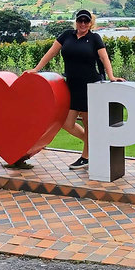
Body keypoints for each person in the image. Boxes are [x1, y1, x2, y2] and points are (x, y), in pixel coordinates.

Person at [26, 9, 123, 169]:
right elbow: (51, 53)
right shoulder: (66, 35)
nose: (83, 24)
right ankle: (94, 144)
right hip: (71, 86)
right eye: (80, 21)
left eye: (86, 21)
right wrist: (36, 69)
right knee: (66, 123)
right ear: (76, 22)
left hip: (89, 86)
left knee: (87, 122)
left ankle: (86, 157)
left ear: (91, 23)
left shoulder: (94, 38)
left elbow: (104, 58)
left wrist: (111, 77)